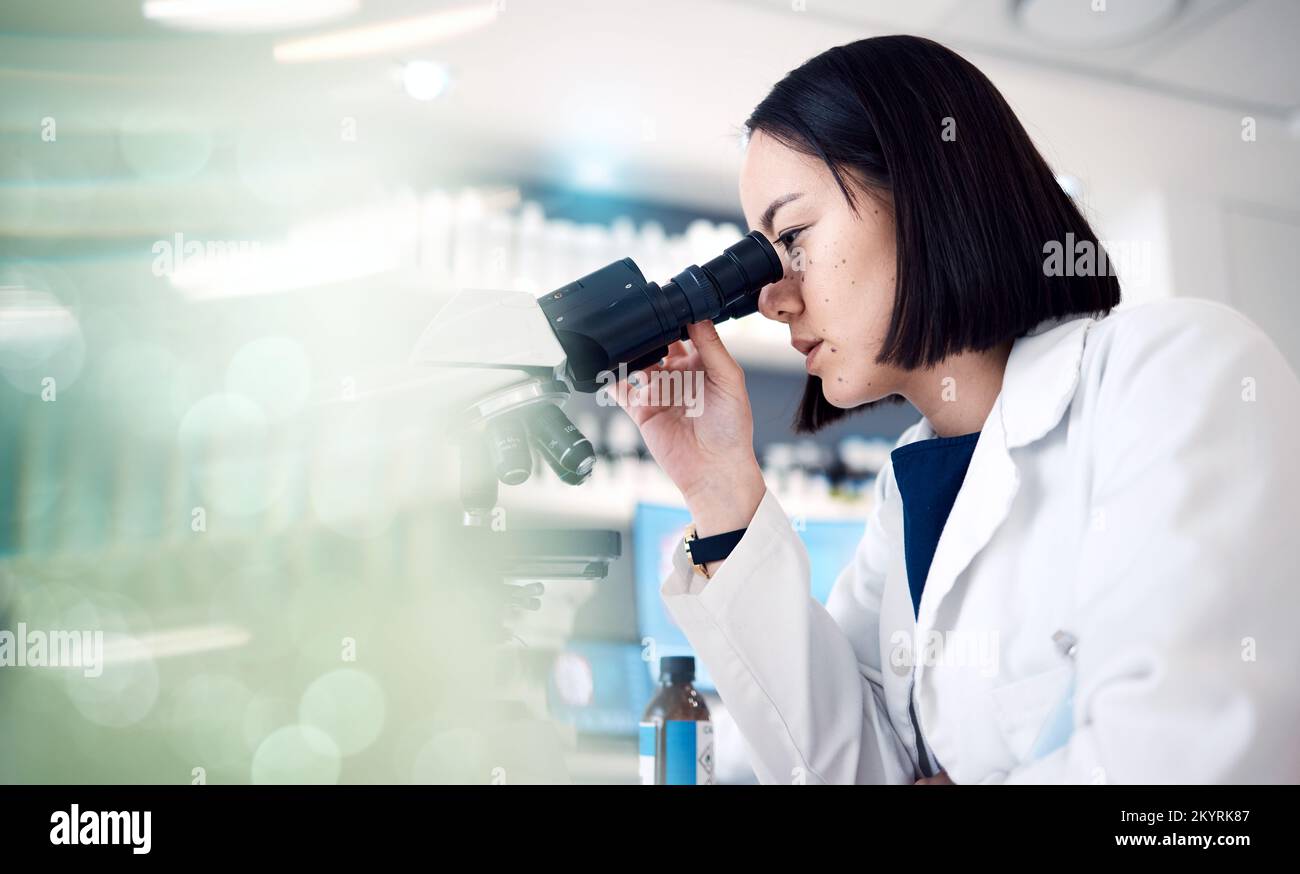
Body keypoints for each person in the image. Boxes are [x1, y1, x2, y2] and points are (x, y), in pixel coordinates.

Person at [611, 35, 1300, 784]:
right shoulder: (906, 501)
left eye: (794, 237)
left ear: (926, 190)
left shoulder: (1175, 369)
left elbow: (1191, 784)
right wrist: (719, 488)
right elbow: (844, 765)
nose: (773, 299)